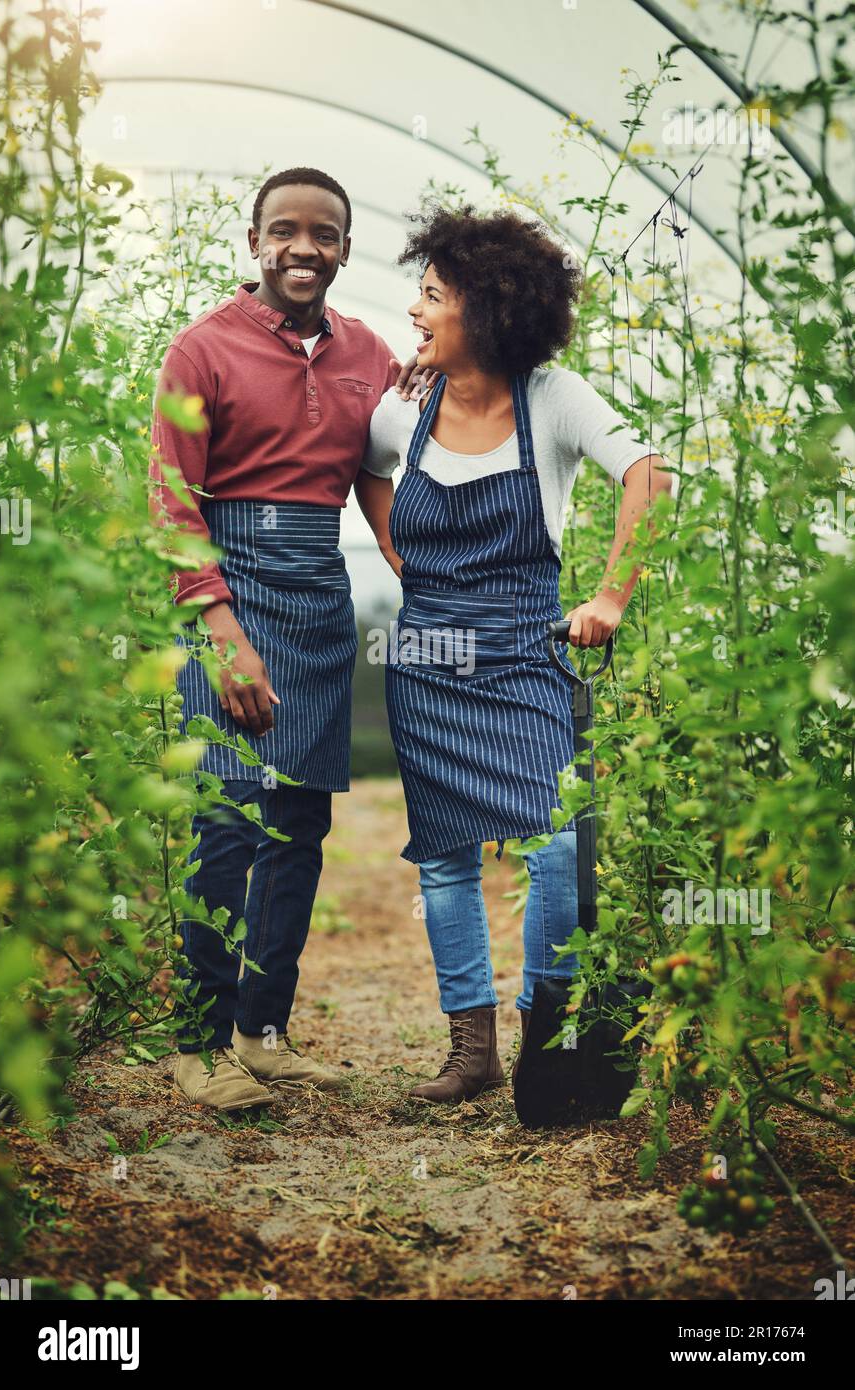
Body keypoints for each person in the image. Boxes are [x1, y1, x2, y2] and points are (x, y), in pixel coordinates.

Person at [357, 204, 672, 1104]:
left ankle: (549, 1034)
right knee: (446, 853)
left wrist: (610, 594)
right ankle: (470, 1048)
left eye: (431, 296)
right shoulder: (405, 404)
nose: (415, 313)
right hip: (426, 657)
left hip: (527, 650)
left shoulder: (552, 399)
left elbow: (649, 473)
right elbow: (366, 470)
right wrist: (392, 552)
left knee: (557, 844)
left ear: (486, 309)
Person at [150, 167, 423, 1110]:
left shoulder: (369, 354)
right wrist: (221, 627)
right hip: (226, 585)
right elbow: (171, 504)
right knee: (226, 817)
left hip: (317, 594)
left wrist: (405, 563)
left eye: (325, 233)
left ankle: (262, 1032)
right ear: (255, 239)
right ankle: (194, 1045)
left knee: (300, 821)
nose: (304, 247)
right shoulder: (201, 351)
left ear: (346, 247)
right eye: (285, 230)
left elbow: (378, 474)